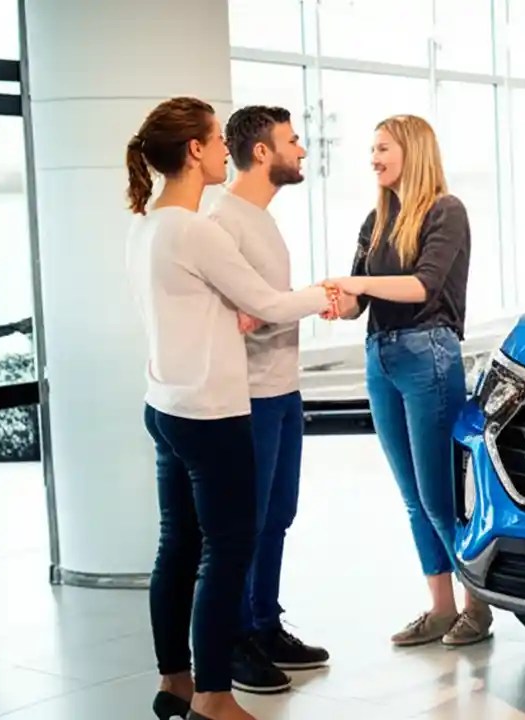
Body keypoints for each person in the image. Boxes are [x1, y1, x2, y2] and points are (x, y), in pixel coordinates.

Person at [124, 96, 336, 720]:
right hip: (210, 415)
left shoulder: (146, 226)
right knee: (226, 551)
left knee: (176, 549)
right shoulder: (194, 230)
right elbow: (267, 304)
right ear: (194, 151)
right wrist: (326, 294)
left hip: (164, 404)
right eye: (217, 140)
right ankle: (216, 696)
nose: (224, 150)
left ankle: (176, 683)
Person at [323, 114, 491, 647]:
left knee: (441, 496)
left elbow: (422, 287)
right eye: (371, 149)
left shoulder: (446, 211)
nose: (373, 158)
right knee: (413, 496)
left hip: (429, 356)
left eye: (382, 148)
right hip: (381, 357)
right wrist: (338, 299)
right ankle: (440, 609)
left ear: (412, 151)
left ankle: (478, 607)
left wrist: (359, 282)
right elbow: (357, 304)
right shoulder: (375, 222)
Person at [207, 105, 331, 695]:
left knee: (277, 518)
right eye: (293, 140)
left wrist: (276, 305)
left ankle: (264, 624)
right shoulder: (220, 216)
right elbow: (232, 309)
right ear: (262, 152)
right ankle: (235, 641)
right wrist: (299, 300)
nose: (302, 150)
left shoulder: (261, 217)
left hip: (284, 391)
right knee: (246, 524)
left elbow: (264, 305)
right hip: (248, 397)